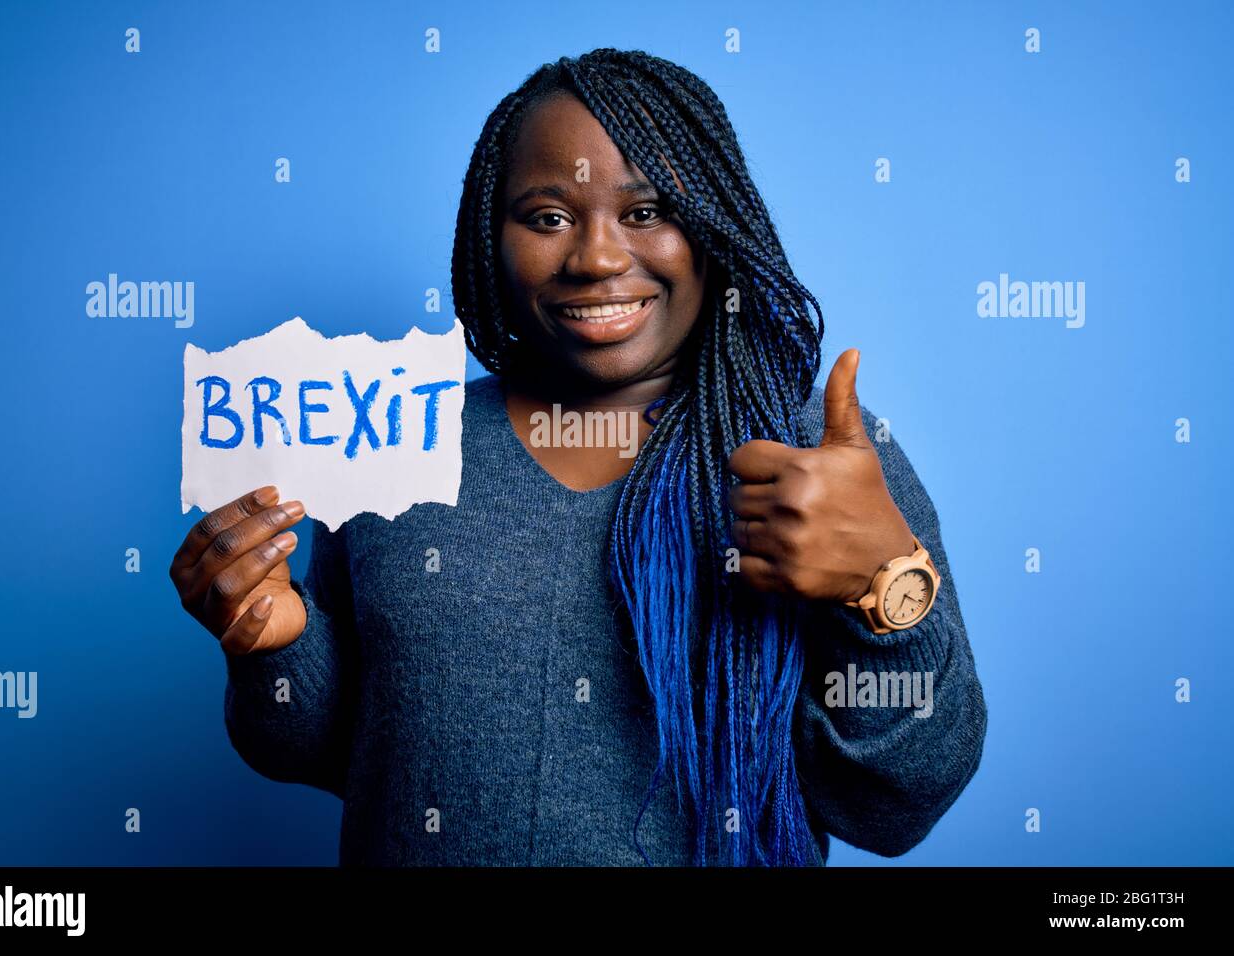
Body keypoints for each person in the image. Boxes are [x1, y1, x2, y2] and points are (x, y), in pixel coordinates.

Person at [169, 48, 987, 866]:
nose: (596, 258)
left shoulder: (810, 454)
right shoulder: (403, 440)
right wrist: (272, 643)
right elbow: (337, 752)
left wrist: (884, 586)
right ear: (492, 238)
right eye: (548, 217)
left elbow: (899, 805)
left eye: (647, 212)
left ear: (713, 227)